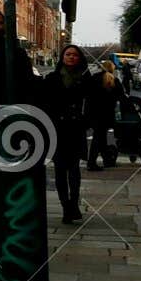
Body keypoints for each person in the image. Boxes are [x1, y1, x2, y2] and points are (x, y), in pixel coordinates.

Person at [42, 44, 93, 224]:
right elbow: (45, 103)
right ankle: (66, 207)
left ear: (79, 58)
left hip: (76, 129)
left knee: (74, 169)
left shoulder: (86, 79)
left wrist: (86, 121)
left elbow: (93, 104)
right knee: (60, 170)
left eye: (75, 55)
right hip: (57, 129)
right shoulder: (52, 78)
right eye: (68, 54)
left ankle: (74, 203)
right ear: (62, 57)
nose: (71, 57)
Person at [88, 57, 125, 169]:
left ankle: (106, 160)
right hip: (107, 113)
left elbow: (88, 94)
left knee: (100, 137)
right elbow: (121, 96)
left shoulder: (94, 78)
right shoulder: (114, 80)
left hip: (94, 112)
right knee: (98, 138)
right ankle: (92, 162)